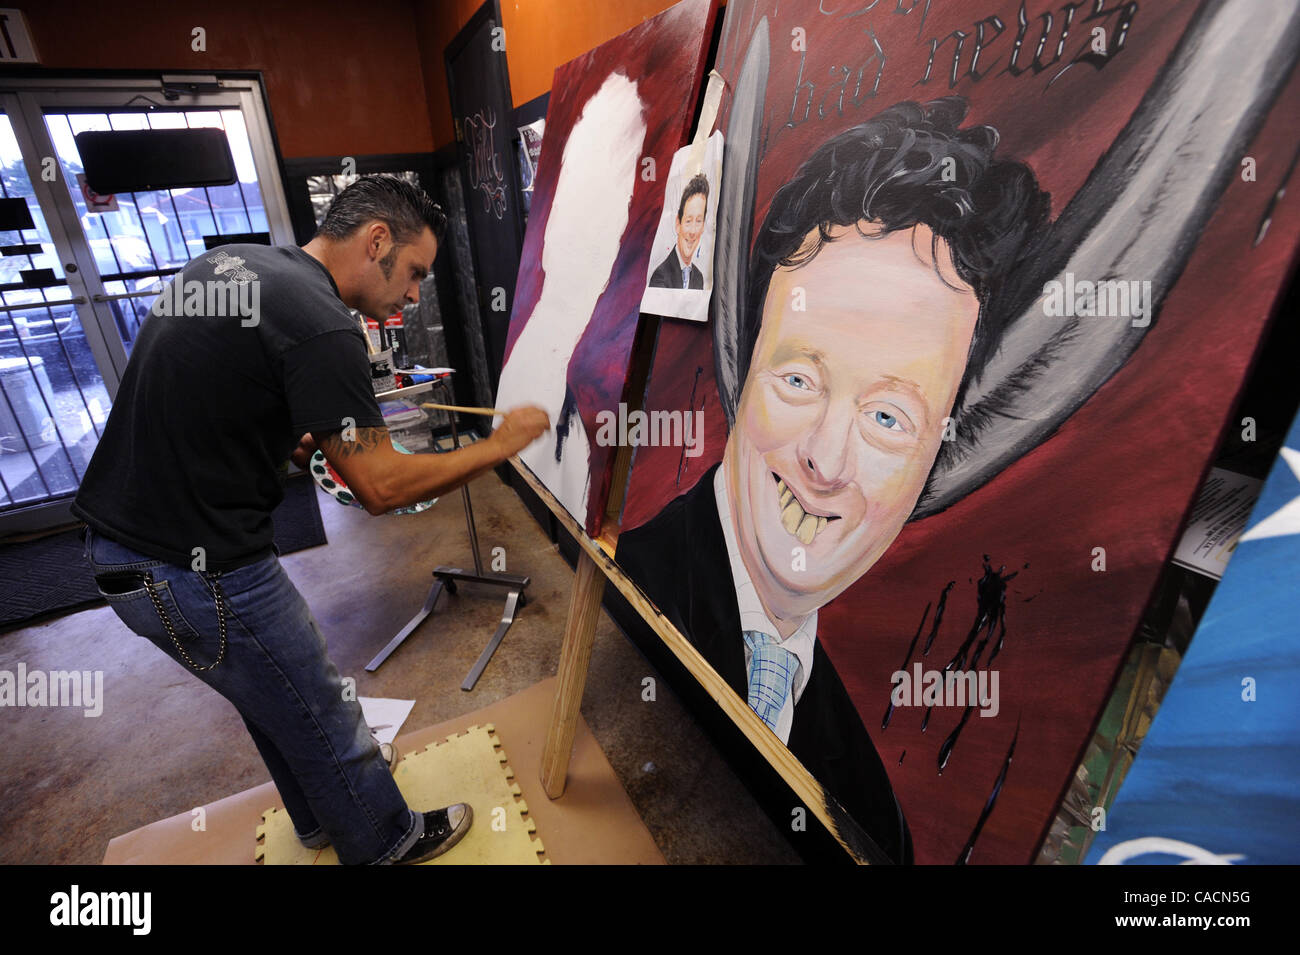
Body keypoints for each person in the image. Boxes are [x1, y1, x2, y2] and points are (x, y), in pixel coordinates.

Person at [617, 98, 1050, 864]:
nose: (825, 458)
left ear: (934, 461)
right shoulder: (626, 612)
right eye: (798, 378)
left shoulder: (872, 814)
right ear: (741, 362)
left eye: (888, 418)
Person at [74, 175, 551, 865]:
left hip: (121, 551)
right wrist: (497, 448)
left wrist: (280, 438)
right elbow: (380, 486)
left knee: (269, 690)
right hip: (190, 565)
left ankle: (318, 818)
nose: (414, 294)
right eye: (414, 272)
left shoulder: (243, 264)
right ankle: (386, 839)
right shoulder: (323, 321)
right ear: (376, 240)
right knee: (320, 701)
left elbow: (210, 398)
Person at [648, 173, 709, 290]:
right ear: (678, 224)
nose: (692, 231)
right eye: (688, 221)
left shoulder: (698, 278)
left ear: (703, 227)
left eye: (698, 221)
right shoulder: (660, 277)